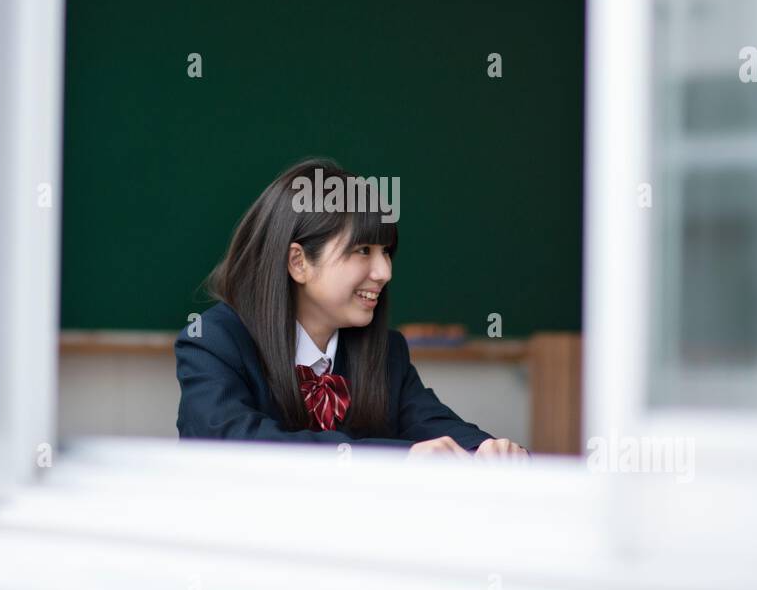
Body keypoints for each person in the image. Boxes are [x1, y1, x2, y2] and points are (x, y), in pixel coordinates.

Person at [175, 157, 530, 460]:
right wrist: (395, 458)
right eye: (363, 251)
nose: (384, 272)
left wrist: (484, 450)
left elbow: (434, 424)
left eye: (386, 252)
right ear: (298, 262)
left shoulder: (385, 351)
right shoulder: (214, 341)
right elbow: (230, 444)